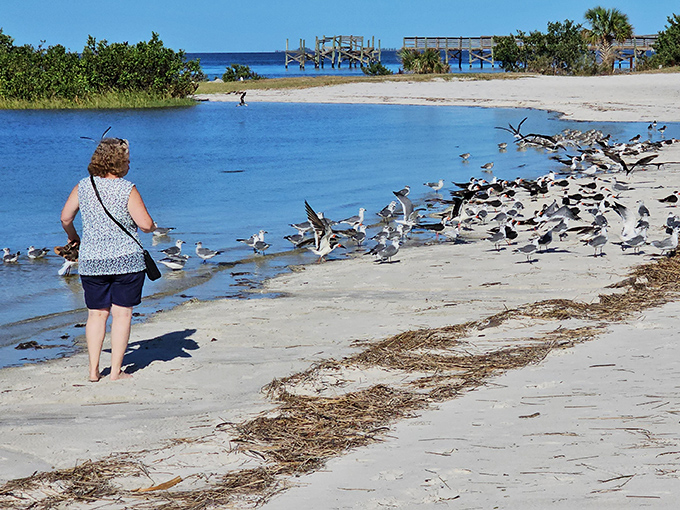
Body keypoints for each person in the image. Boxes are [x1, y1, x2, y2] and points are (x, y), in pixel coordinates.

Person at [61, 138, 155, 381]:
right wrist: (152, 225)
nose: (130, 161)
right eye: (127, 157)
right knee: (122, 314)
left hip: (92, 262)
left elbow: (65, 218)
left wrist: (74, 238)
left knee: (96, 314)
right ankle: (115, 372)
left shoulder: (84, 186)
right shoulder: (127, 188)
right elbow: (145, 225)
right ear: (119, 161)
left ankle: (93, 371)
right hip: (126, 261)